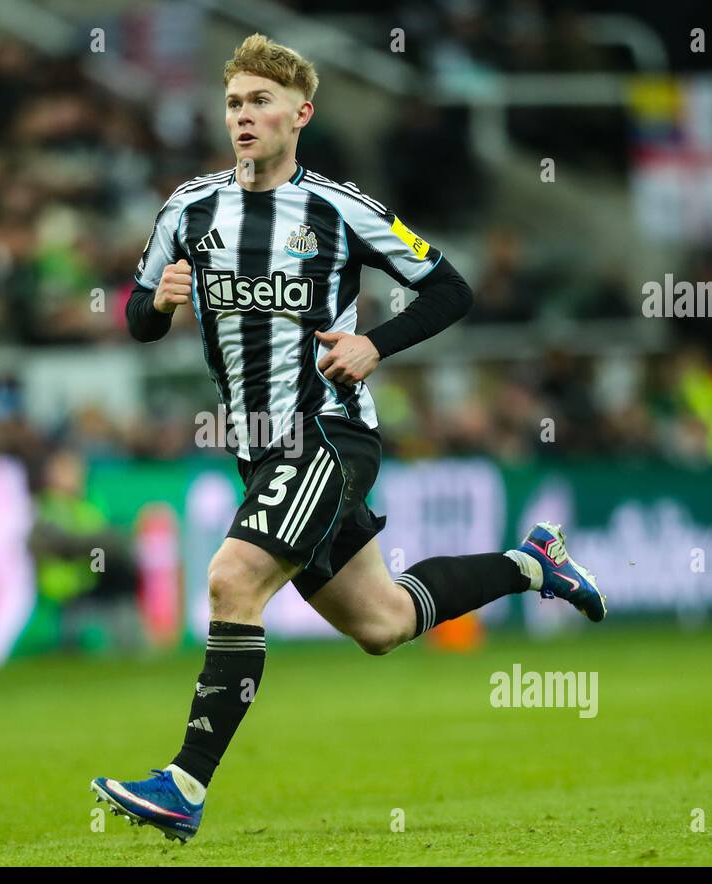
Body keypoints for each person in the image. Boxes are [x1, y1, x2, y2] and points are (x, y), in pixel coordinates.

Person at [91, 34, 607, 842]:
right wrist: (157, 305)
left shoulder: (339, 208)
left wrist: (377, 343)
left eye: (261, 101)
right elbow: (135, 318)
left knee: (232, 580)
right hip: (259, 450)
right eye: (233, 103)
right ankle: (530, 562)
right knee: (381, 623)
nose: (244, 116)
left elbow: (449, 286)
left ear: (302, 113)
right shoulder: (187, 210)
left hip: (329, 434)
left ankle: (184, 784)